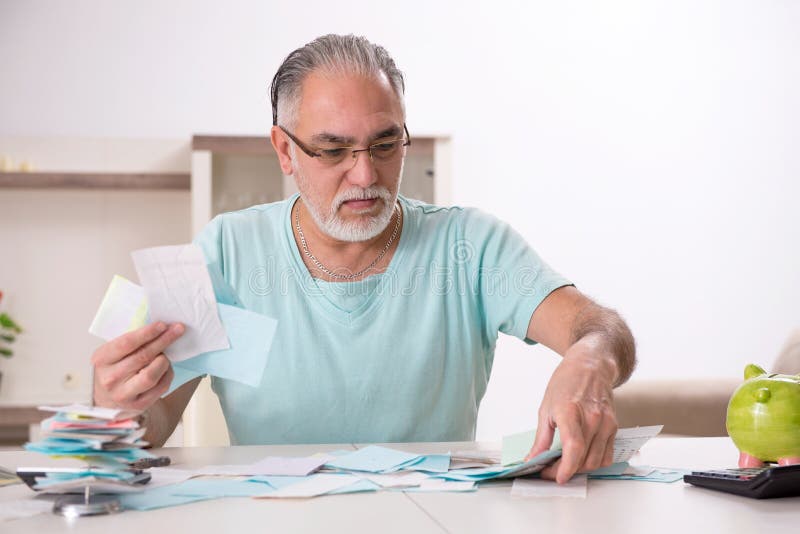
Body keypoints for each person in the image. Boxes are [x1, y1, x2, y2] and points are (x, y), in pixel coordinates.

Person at [91, 34, 635, 484]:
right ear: (284, 150)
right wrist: (116, 403)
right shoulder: (227, 251)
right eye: (333, 150)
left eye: (385, 145)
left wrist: (589, 359)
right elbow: (150, 424)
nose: (365, 174)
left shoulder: (470, 245)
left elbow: (602, 329)